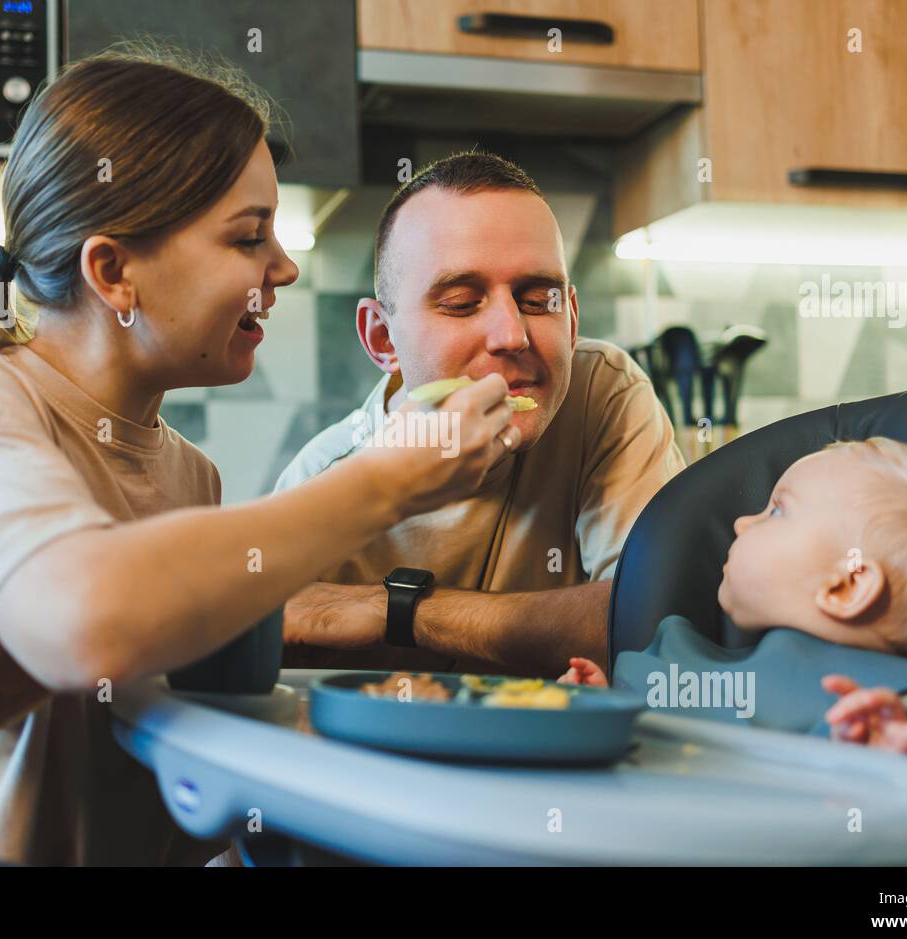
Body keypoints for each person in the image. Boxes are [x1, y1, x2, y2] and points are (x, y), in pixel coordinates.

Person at [0, 42, 520, 866]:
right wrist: (387, 481)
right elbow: (84, 625)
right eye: (249, 238)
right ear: (112, 272)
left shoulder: (186, 475)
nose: (282, 266)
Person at [275, 151, 684, 677]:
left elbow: (658, 621)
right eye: (462, 303)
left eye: (539, 300)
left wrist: (401, 610)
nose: (512, 336)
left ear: (574, 318)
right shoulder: (324, 485)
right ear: (383, 339)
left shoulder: (601, 392)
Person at [559, 437, 907, 769]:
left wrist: (884, 768)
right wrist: (605, 715)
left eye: (776, 511)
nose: (740, 522)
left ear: (845, 586)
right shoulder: (688, 656)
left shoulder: (893, 707)